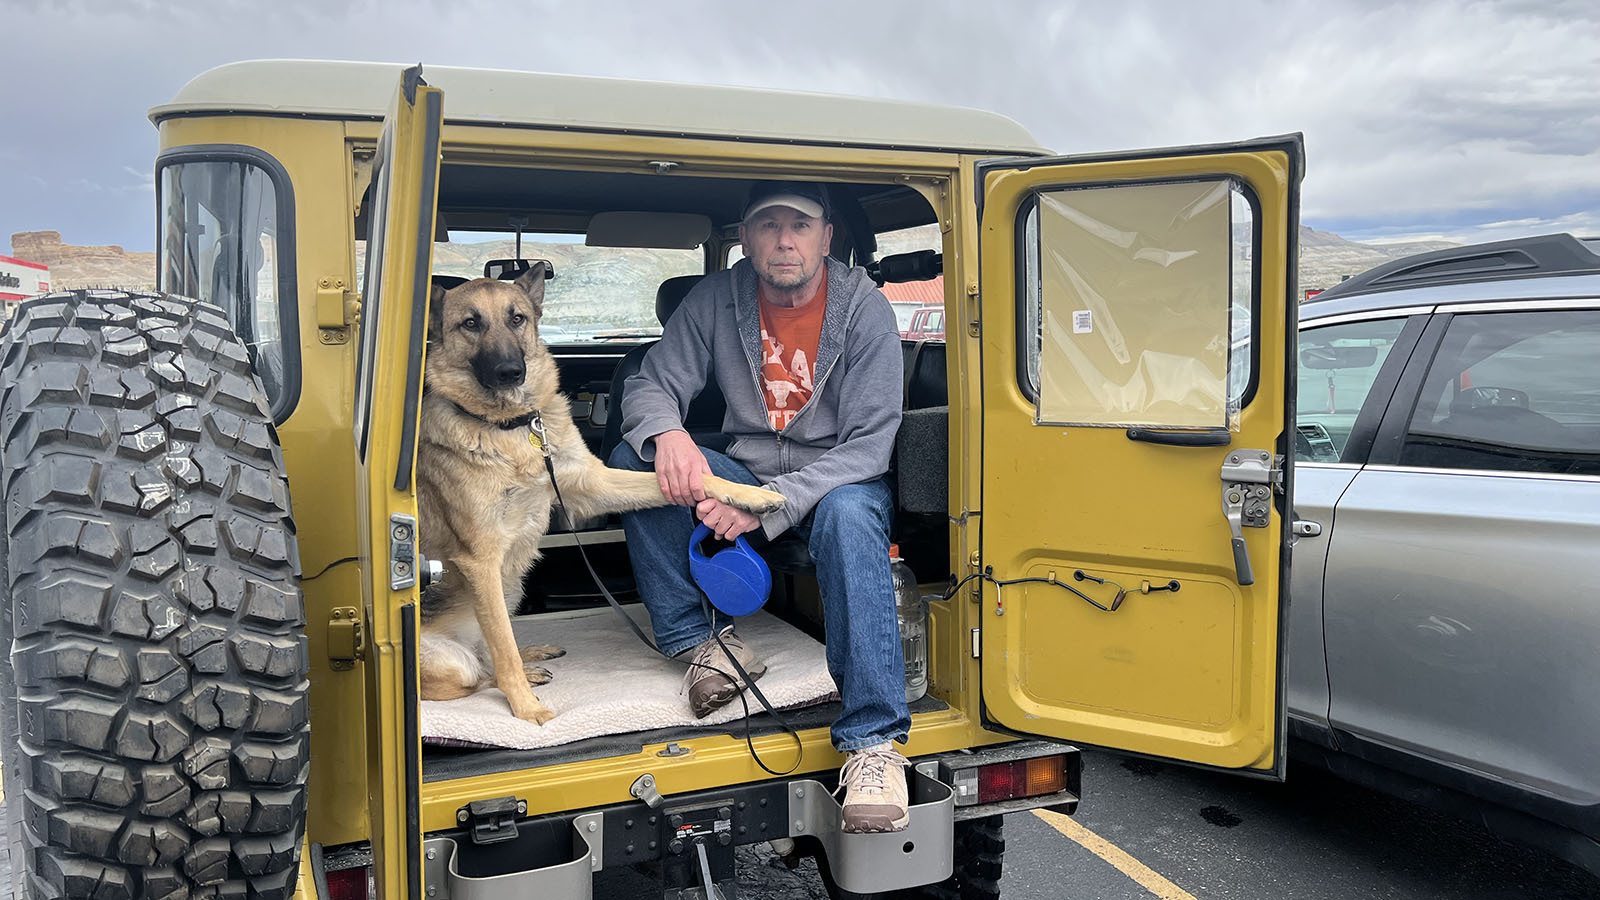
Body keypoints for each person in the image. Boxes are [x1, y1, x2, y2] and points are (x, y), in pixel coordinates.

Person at [608, 181, 912, 833]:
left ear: (827, 236)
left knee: (852, 515)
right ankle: (707, 646)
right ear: (744, 238)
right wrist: (673, 438)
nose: (783, 241)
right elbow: (649, 385)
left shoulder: (865, 308)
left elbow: (870, 445)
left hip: (836, 480)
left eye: (799, 226)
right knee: (637, 461)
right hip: (745, 469)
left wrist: (768, 508)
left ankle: (872, 744)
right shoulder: (717, 297)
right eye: (768, 226)